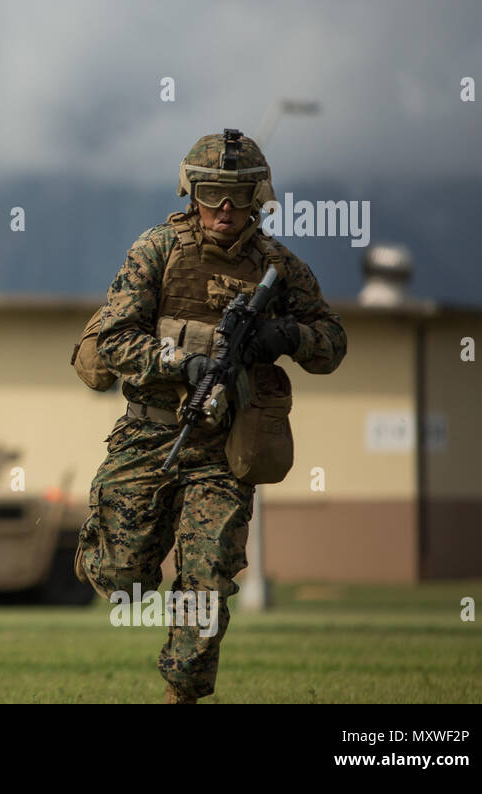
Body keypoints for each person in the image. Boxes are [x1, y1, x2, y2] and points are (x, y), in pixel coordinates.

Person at [74, 129, 347, 702]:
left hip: (224, 450)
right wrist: (180, 362)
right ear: (190, 193)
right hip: (150, 434)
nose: (225, 210)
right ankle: (118, 562)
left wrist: (283, 334)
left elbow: (332, 343)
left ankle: (183, 693)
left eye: (239, 197)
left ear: (259, 199)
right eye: (212, 195)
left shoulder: (279, 267)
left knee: (207, 578)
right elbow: (116, 340)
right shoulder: (156, 250)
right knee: (120, 575)